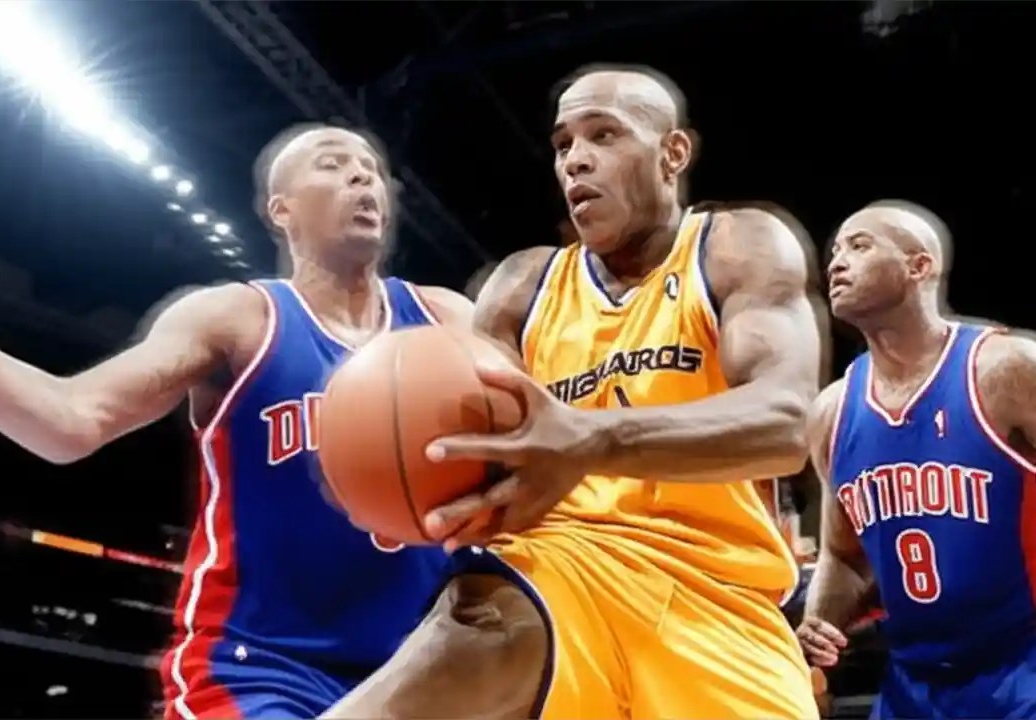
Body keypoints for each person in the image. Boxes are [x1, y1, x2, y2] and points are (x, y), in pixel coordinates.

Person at [0, 124, 474, 719]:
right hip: (260, 670)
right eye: (332, 162)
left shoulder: (449, 320)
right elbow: (71, 421)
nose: (361, 174)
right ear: (281, 210)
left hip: (429, 670)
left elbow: (543, 459)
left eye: (369, 167)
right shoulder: (238, 319)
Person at [323, 65, 824, 719]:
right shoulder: (521, 286)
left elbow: (785, 422)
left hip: (721, 600)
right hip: (564, 570)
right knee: (474, 627)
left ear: (672, 154)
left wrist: (593, 439)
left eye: (603, 135)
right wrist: (402, 479)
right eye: (563, 145)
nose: (576, 162)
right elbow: (481, 454)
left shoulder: (736, 246)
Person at [796, 200, 1036, 719]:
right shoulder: (832, 412)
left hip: (1032, 672)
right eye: (835, 250)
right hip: (913, 686)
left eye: (859, 245)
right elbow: (844, 556)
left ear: (920, 267)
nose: (836, 262)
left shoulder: (1005, 370)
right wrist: (819, 624)